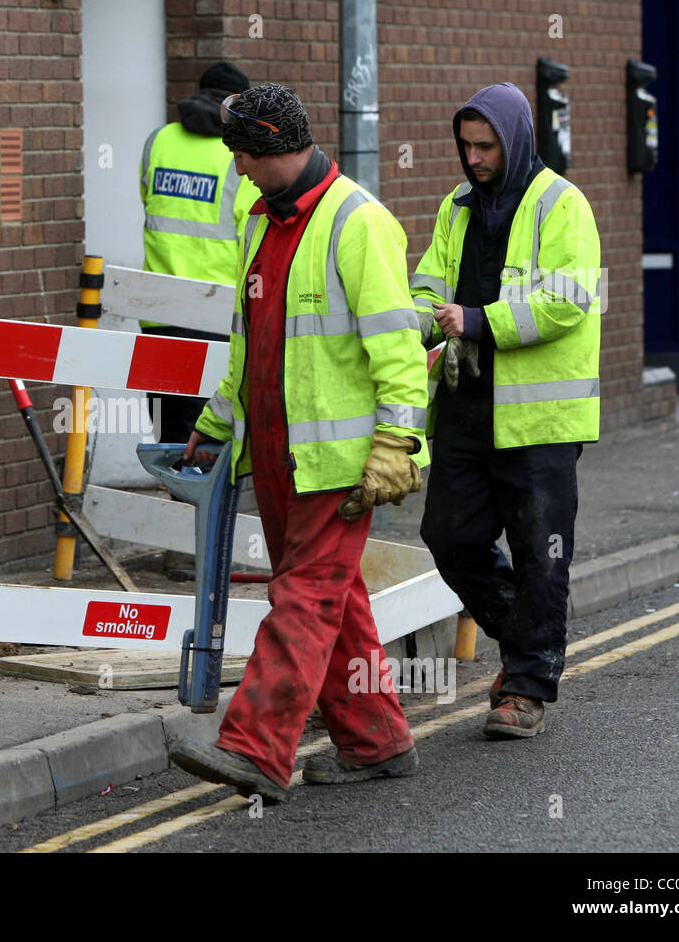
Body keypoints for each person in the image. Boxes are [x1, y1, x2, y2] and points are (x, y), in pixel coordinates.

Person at [168, 83, 429, 803]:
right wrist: (216, 425)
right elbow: (249, 350)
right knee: (333, 604)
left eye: (248, 156)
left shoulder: (357, 221)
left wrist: (398, 444)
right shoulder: (260, 223)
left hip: (341, 467)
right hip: (281, 460)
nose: (240, 169)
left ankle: (255, 748)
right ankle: (377, 742)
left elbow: (399, 347)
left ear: (281, 148)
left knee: (305, 599)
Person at [410, 82, 601, 739]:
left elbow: (567, 300)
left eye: (485, 145)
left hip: (538, 417)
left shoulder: (563, 204)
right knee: (449, 536)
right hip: (465, 404)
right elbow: (429, 286)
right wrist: (408, 323)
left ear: (515, 139)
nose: (474, 158)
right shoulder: (456, 207)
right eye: (465, 146)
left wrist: (477, 320)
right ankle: (527, 639)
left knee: (541, 556)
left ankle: (524, 689)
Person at [139, 62, 262, 446]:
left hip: (158, 311)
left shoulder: (159, 140)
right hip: (215, 315)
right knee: (207, 433)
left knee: (167, 428)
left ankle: (174, 499)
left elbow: (147, 199)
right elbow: (254, 229)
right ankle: (199, 505)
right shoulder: (238, 154)